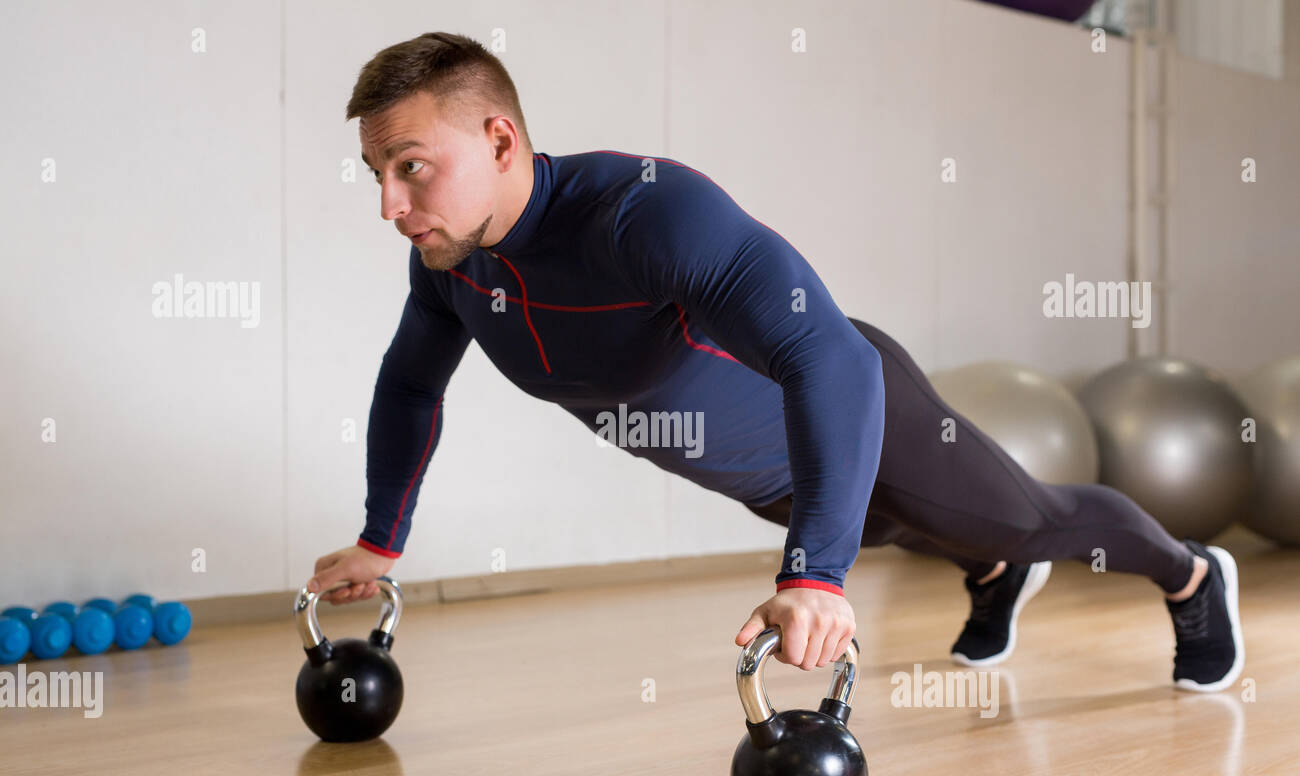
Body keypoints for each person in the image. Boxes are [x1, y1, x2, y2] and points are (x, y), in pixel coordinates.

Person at [309, 32, 1244, 693]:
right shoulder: (449, 265)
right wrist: (381, 539)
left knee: (1030, 519)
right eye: (375, 174)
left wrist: (811, 578)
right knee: (901, 532)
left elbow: (825, 356)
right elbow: (409, 384)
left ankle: (1190, 576)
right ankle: (993, 575)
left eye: (410, 167)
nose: (389, 204)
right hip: (767, 475)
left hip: (854, 416)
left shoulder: (641, 212)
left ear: (499, 139)